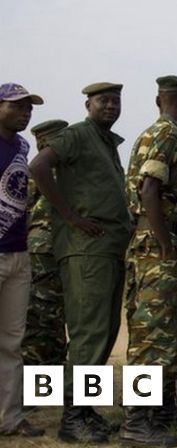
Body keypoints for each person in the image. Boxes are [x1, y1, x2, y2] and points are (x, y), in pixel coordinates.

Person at [30, 82, 133, 443]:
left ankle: (86, 411)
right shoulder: (78, 135)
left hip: (107, 248)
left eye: (116, 101)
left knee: (103, 332)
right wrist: (70, 216)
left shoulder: (106, 143)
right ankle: (72, 419)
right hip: (85, 248)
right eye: (103, 100)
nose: (110, 106)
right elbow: (39, 166)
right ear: (88, 104)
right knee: (89, 332)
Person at [120, 75, 177, 447]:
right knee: (153, 337)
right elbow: (148, 189)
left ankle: (163, 410)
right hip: (155, 249)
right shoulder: (167, 133)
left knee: (173, 333)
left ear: (158, 100)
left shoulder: (150, 133)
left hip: (153, 239)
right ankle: (136, 423)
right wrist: (165, 241)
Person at [0, 83, 44, 439]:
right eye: (17, 107)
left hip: (18, 253)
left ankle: (9, 418)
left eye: (29, 107)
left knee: (12, 341)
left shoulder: (23, 146)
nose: (25, 113)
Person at [22, 119, 68, 369]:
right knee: (43, 316)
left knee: (50, 315)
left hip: (53, 247)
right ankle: (39, 383)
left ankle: (50, 374)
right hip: (44, 250)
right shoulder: (40, 171)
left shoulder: (62, 170)